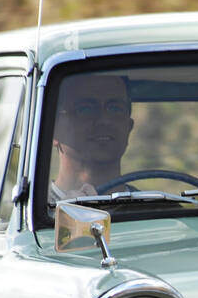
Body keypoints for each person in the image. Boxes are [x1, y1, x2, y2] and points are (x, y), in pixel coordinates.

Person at [48, 73, 134, 204]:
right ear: (53, 130)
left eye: (116, 108)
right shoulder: (31, 216)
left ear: (129, 127)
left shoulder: (161, 215)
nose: (104, 120)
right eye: (85, 109)